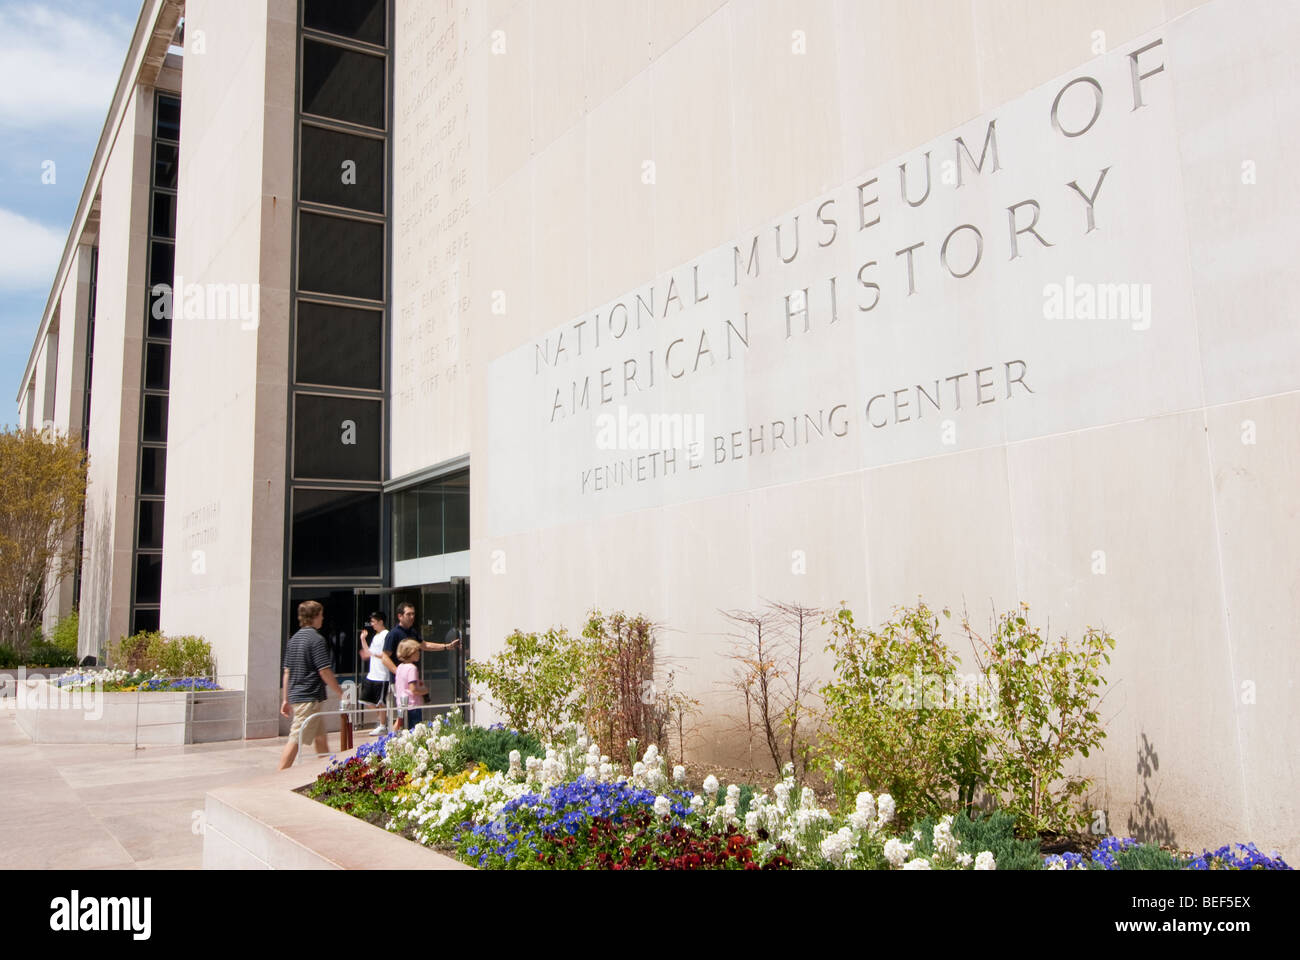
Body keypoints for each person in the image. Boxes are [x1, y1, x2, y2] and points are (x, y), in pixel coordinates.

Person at [279, 600, 345, 770]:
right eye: (321, 614)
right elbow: (324, 670)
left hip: (298, 696)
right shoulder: (316, 639)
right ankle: (279, 774)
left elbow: (287, 671)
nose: (323, 618)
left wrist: (285, 699)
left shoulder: (293, 639)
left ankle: (327, 771)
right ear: (314, 616)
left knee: (320, 738)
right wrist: (340, 692)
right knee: (296, 737)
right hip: (309, 697)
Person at [380, 602, 461, 678]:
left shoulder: (412, 631)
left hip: (412, 677)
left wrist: (447, 646)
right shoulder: (394, 633)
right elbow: (384, 657)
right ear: (400, 616)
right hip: (399, 680)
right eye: (408, 614)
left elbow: (424, 645)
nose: (412, 617)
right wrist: (398, 672)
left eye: (413, 614)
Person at [358, 610, 390, 736]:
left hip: (382, 675)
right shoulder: (376, 636)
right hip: (372, 674)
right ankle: (383, 721)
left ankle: (382, 725)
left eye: (373, 622)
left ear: (380, 621)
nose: (372, 624)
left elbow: (385, 654)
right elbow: (369, 652)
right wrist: (363, 640)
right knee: (365, 700)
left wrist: (372, 654)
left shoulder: (386, 635)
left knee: (380, 701)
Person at [392, 638, 428, 730]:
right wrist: (424, 691)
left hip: (401, 703)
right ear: (411, 653)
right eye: (417, 651)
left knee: (401, 727)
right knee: (414, 731)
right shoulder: (412, 668)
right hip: (412, 705)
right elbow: (413, 689)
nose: (419, 653)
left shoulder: (400, 667)